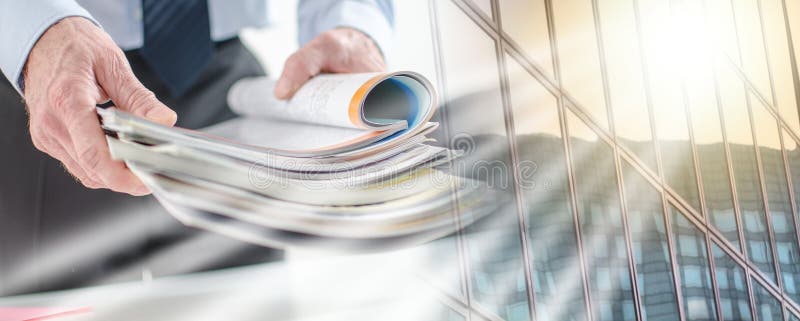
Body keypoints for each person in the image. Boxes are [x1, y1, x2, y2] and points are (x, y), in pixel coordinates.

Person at [0, 0, 393, 295]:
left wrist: (351, 20)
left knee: (246, 302)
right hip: (44, 85)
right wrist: (34, 25)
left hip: (227, 87)